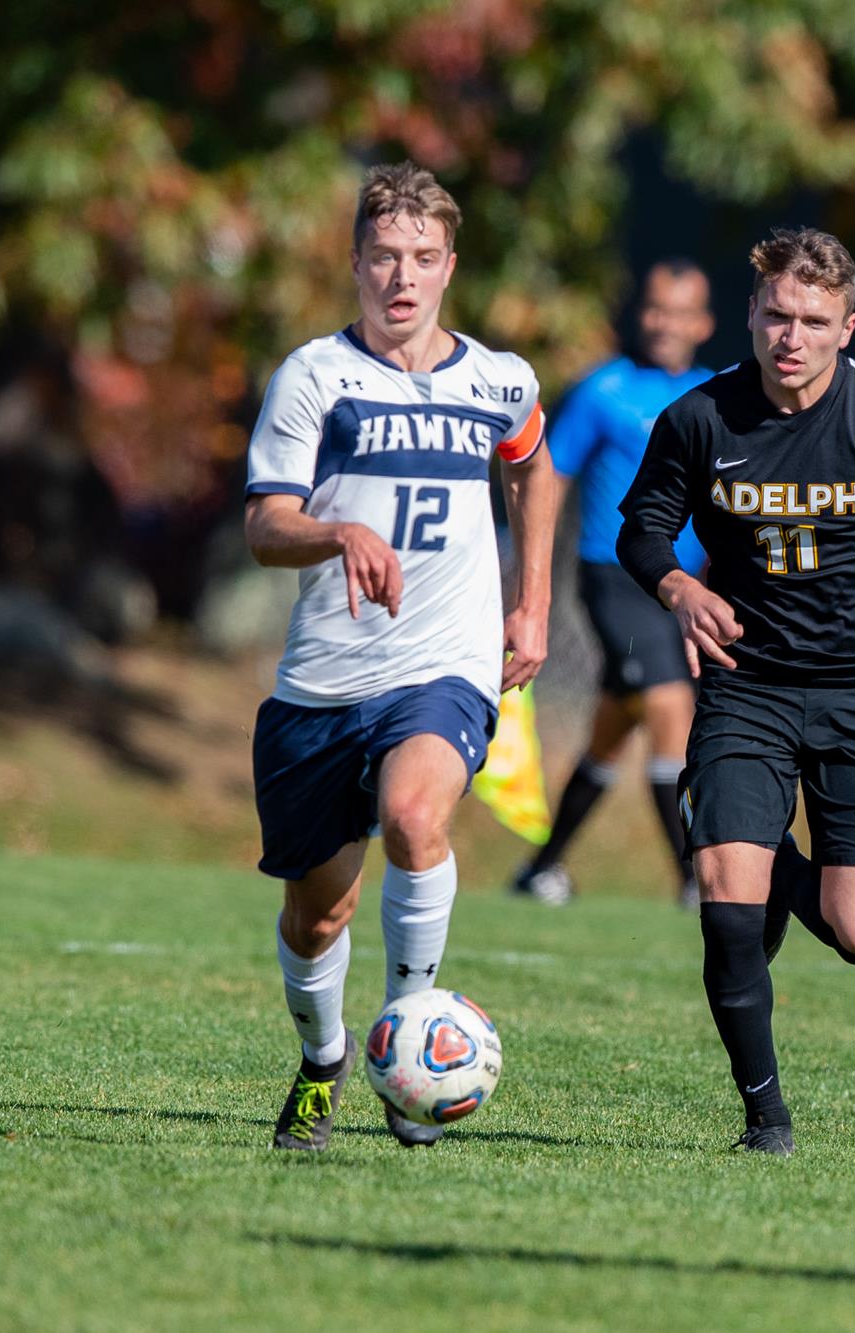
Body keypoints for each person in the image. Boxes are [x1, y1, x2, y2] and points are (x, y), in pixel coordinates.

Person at [618, 226, 855, 1155]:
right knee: (728, 901)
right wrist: (680, 586)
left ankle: (754, 847)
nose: (792, 336)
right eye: (778, 315)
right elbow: (641, 531)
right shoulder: (699, 419)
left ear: (847, 327)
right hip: (746, 689)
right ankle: (766, 1119)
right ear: (750, 314)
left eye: (814, 320)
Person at [243, 161, 558, 1152]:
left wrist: (532, 600)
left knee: (416, 814)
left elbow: (533, 469)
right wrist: (336, 535)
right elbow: (263, 524)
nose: (402, 276)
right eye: (383, 256)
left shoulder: (497, 378)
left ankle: (408, 1044)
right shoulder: (314, 379)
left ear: (450, 266)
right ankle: (324, 1058)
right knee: (317, 919)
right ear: (355, 264)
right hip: (324, 682)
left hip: (445, 662)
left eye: (422, 257)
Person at [508, 260, 717, 909]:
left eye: (681, 311)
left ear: (705, 323)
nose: (666, 323)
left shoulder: (720, 394)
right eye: (656, 308)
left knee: (613, 726)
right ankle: (695, 877)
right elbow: (549, 472)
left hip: (684, 589)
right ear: (641, 312)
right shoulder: (605, 389)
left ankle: (540, 869)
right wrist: (530, 577)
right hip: (614, 577)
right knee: (666, 707)